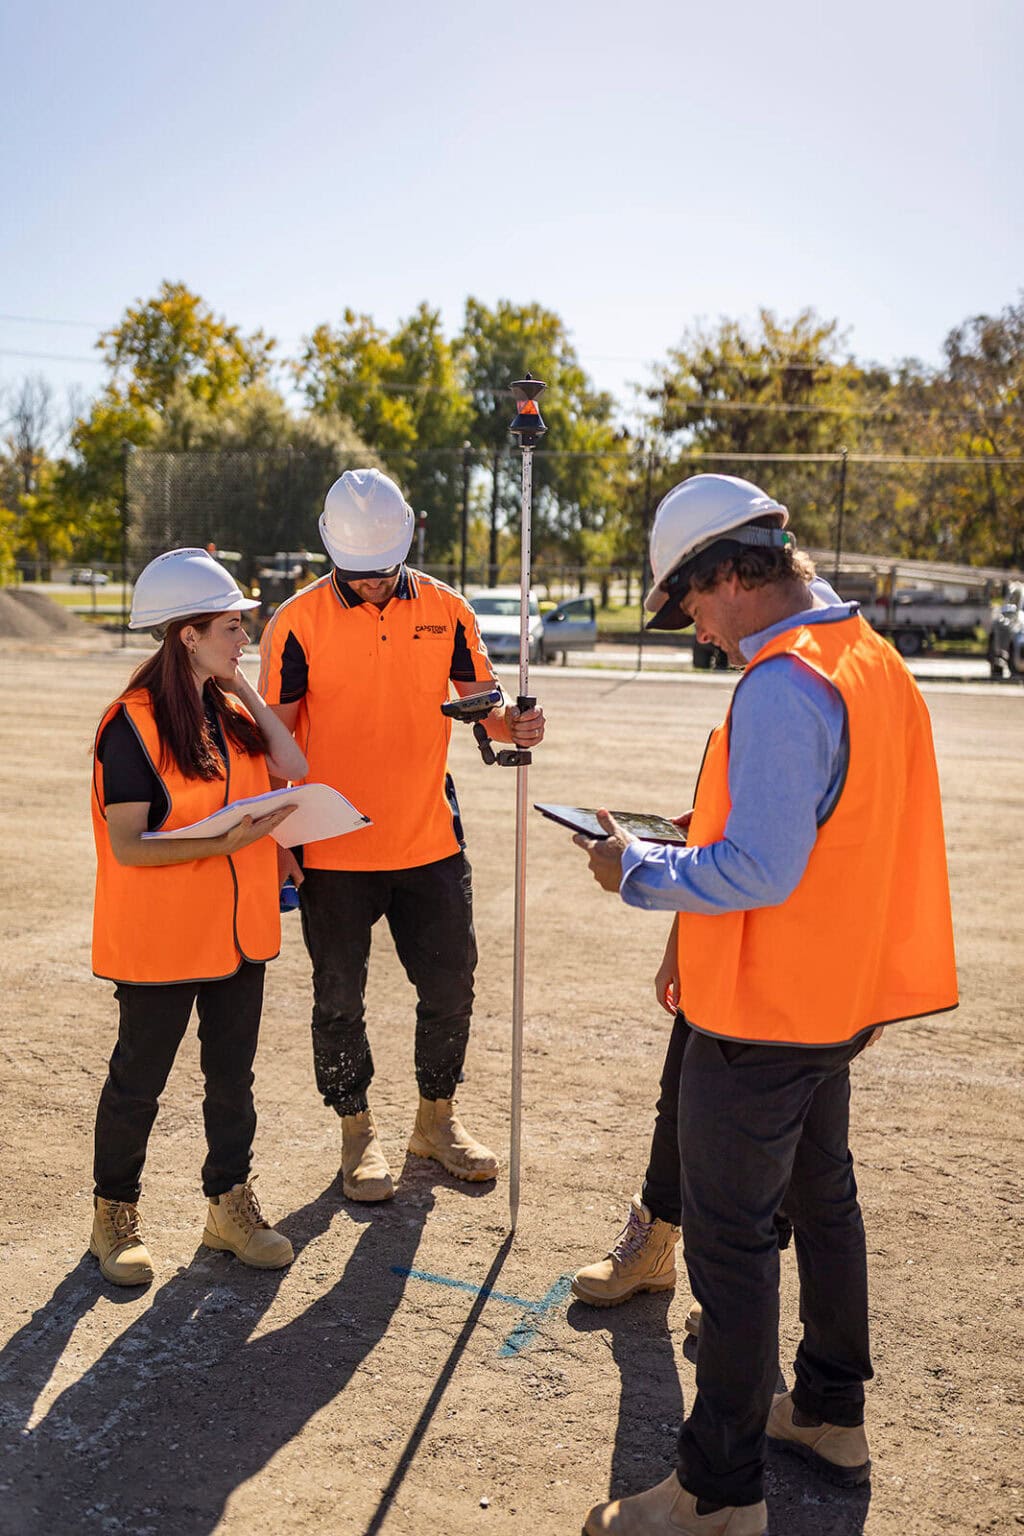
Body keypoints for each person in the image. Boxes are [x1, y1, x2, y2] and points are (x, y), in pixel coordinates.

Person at [571, 474, 957, 1536]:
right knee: (821, 1201)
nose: (691, 623)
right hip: (833, 1001)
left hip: (761, 1016)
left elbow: (760, 866)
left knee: (731, 1245)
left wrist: (640, 871)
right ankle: (830, 1413)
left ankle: (715, 1491)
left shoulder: (785, 685)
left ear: (734, 574)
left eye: (690, 600)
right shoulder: (870, 662)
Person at [258, 468, 545, 1202]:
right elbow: (272, 740)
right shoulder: (295, 622)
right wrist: (279, 838)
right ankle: (357, 1133)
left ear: (407, 543)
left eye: (384, 574)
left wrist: (515, 721)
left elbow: (485, 705)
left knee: (451, 986)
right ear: (332, 554)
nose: (374, 588)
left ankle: (434, 1121)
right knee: (338, 999)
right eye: (358, 578)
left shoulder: (448, 611)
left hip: (428, 843)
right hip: (331, 848)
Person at [90, 547, 308, 1287]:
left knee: (232, 1081)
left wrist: (239, 682)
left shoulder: (230, 710)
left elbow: (295, 762)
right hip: (161, 940)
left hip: (238, 936)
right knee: (137, 1083)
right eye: (230, 627)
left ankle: (228, 1207)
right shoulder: (131, 725)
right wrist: (225, 841)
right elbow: (126, 845)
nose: (244, 634)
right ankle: (114, 1214)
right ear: (186, 633)